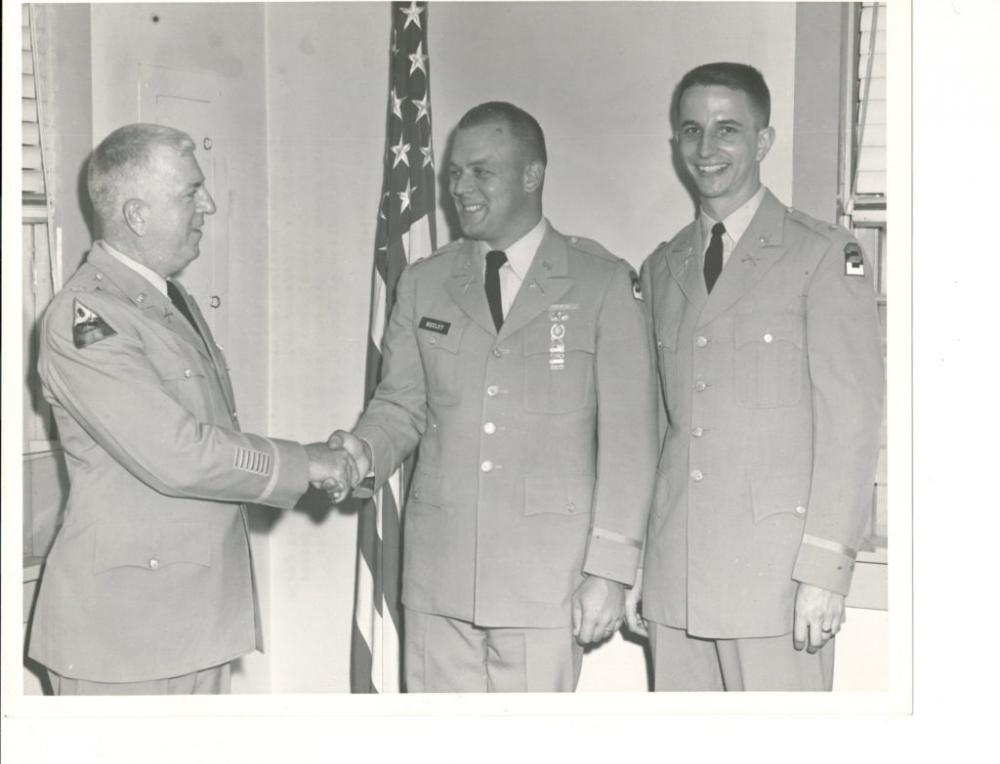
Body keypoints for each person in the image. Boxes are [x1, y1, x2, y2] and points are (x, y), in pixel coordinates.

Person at [326, 102, 658, 692]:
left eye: (482, 172)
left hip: (546, 581)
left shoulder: (601, 281)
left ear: (532, 175)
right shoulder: (425, 282)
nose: (461, 188)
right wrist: (361, 453)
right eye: (454, 173)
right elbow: (401, 405)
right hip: (440, 576)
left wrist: (610, 570)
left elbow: (632, 442)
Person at [28, 123, 343, 695]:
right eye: (190, 193)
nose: (210, 205)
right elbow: (178, 453)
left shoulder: (165, 302)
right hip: (125, 636)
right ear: (137, 214)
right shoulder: (85, 318)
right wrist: (307, 463)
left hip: (193, 619)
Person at [624, 63, 885, 691]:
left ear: (763, 141)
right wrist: (636, 562)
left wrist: (825, 571)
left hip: (778, 582)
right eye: (692, 130)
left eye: (728, 130)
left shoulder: (821, 254)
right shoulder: (663, 268)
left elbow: (851, 423)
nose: (706, 149)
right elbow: (656, 431)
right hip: (677, 577)